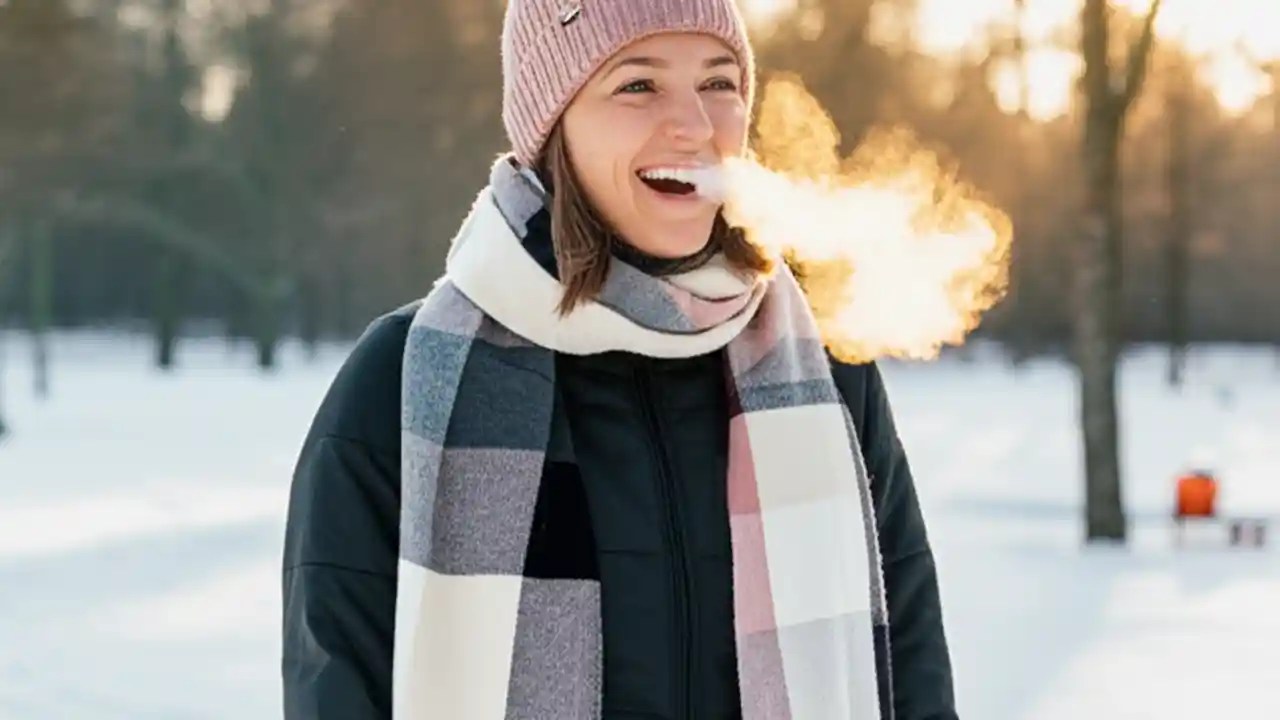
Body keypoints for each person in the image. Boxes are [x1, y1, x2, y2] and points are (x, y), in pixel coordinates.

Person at [282, 1, 957, 718]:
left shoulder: (824, 370)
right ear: (554, 124)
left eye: (720, 84)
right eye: (638, 85)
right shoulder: (405, 378)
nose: (695, 126)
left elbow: (910, 677)